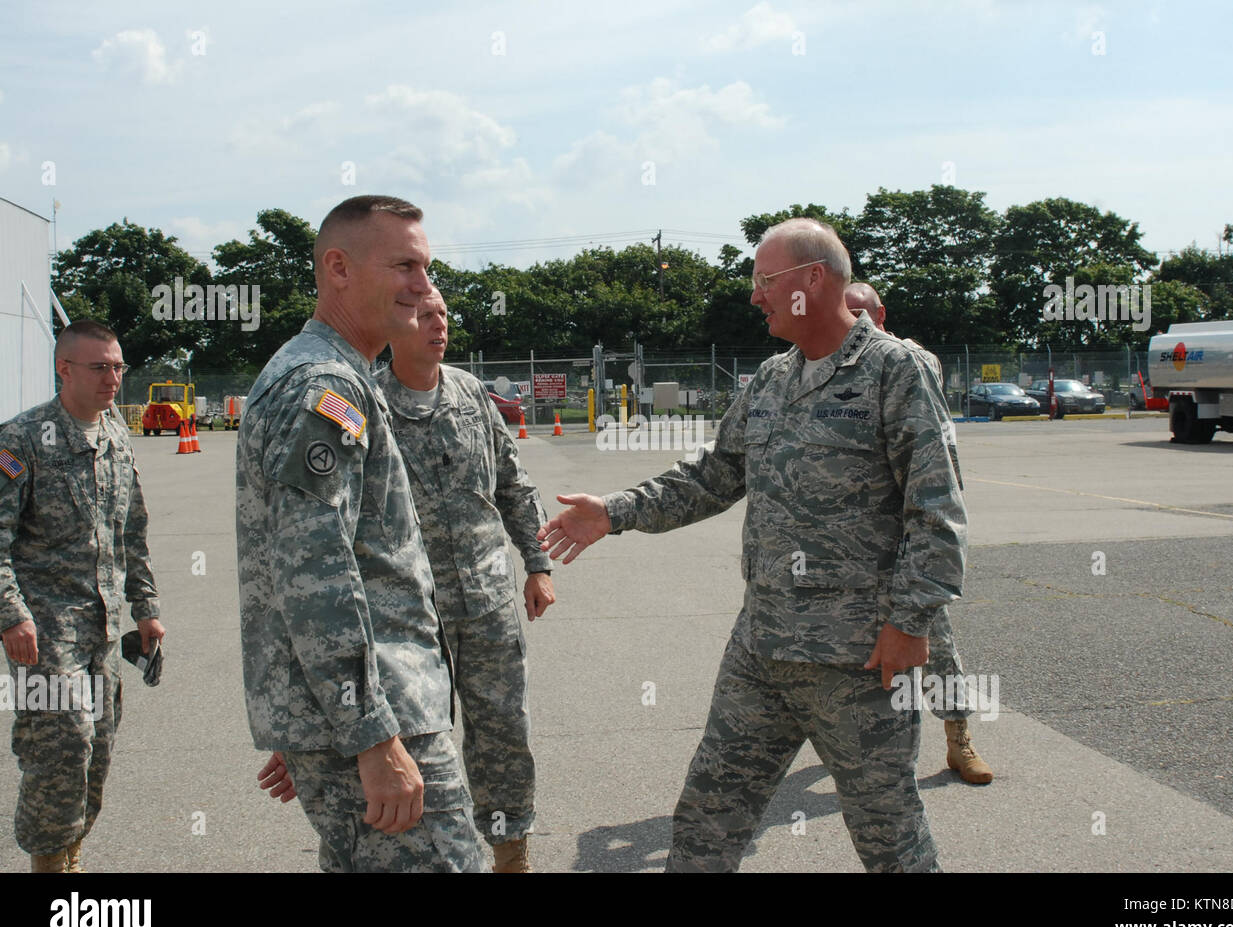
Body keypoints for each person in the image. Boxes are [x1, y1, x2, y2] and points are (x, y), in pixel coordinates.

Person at [538, 218, 967, 872]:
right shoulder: (769, 380)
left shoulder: (894, 372)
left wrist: (910, 624)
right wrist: (614, 512)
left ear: (813, 280)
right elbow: (712, 477)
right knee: (705, 823)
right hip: (762, 652)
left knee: (892, 842)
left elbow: (936, 511)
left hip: (858, 663)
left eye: (765, 280)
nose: (754, 296)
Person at [238, 194, 485, 873]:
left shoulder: (342, 374)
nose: (423, 287)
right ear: (338, 268)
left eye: (427, 268)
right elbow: (314, 572)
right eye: (404, 265)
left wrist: (316, 720)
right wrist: (368, 736)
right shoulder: (324, 385)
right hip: (385, 717)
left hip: (364, 710)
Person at [375, 289, 555, 872]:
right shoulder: (362, 405)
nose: (438, 324)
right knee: (419, 743)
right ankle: (431, 858)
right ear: (393, 323)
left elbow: (512, 482)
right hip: (407, 615)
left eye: (443, 315)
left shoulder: (473, 394)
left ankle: (510, 852)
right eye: (425, 315)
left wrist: (538, 562)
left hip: (487, 602)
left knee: (503, 733)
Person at [0, 320, 164, 872]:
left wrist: (147, 608)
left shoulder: (115, 433)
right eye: (100, 367)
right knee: (60, 746)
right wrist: (10, 615)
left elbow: (131, 530)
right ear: (63, 369)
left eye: (118, 366)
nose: (113, 377)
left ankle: (70, 851)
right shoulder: (20, 440)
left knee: (98, 747)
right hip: (44, 630)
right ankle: (48, 868)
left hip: (103, 625)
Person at [844, 281, 992, 784]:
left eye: (862, 312)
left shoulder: (913, 360)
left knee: (935, 640)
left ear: (881, 313)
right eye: (847, 314)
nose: (855, 322)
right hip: (856, 542)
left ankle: (958, 740)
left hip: (911, 532)